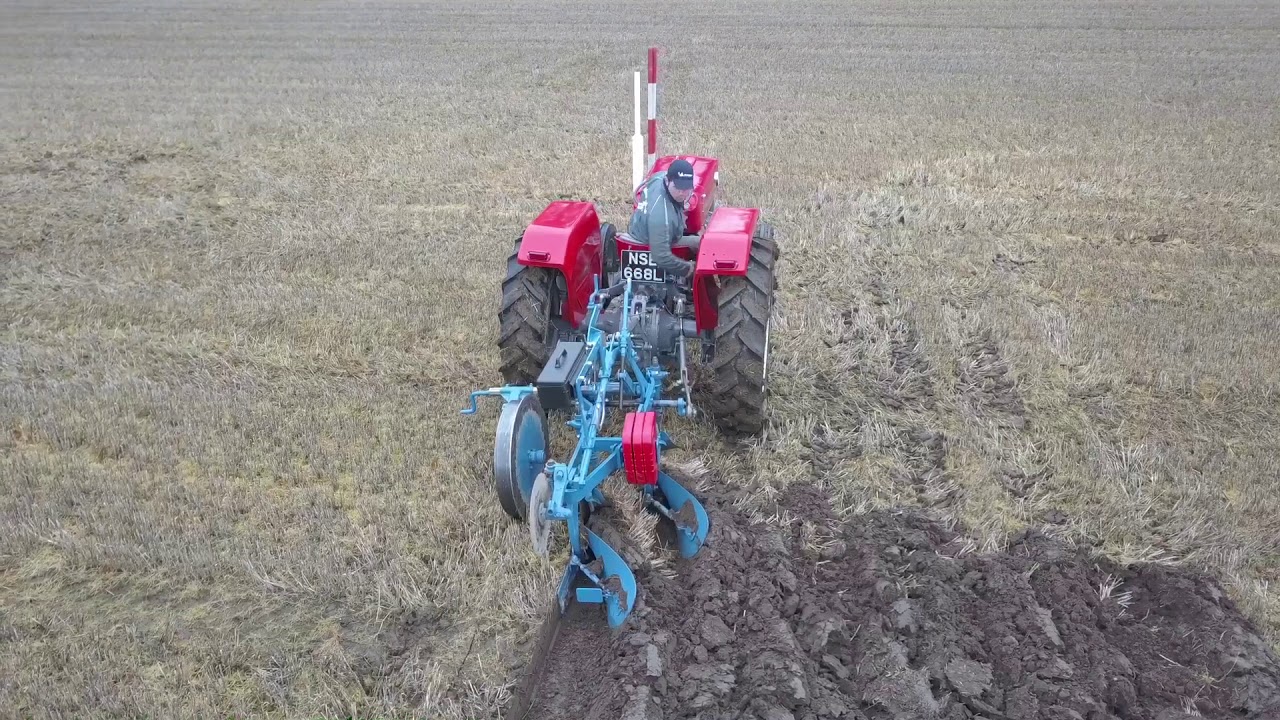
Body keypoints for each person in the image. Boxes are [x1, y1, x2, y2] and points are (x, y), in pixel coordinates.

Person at [627, 158, 700, 282]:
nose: (683, 193)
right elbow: (660, 256)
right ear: (667, 181)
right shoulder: (662, 215)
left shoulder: (658, 177)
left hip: (638, 227)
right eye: (678, 188)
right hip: (648, 239)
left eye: (686, 188)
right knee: (700, 243)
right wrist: (688, 269)